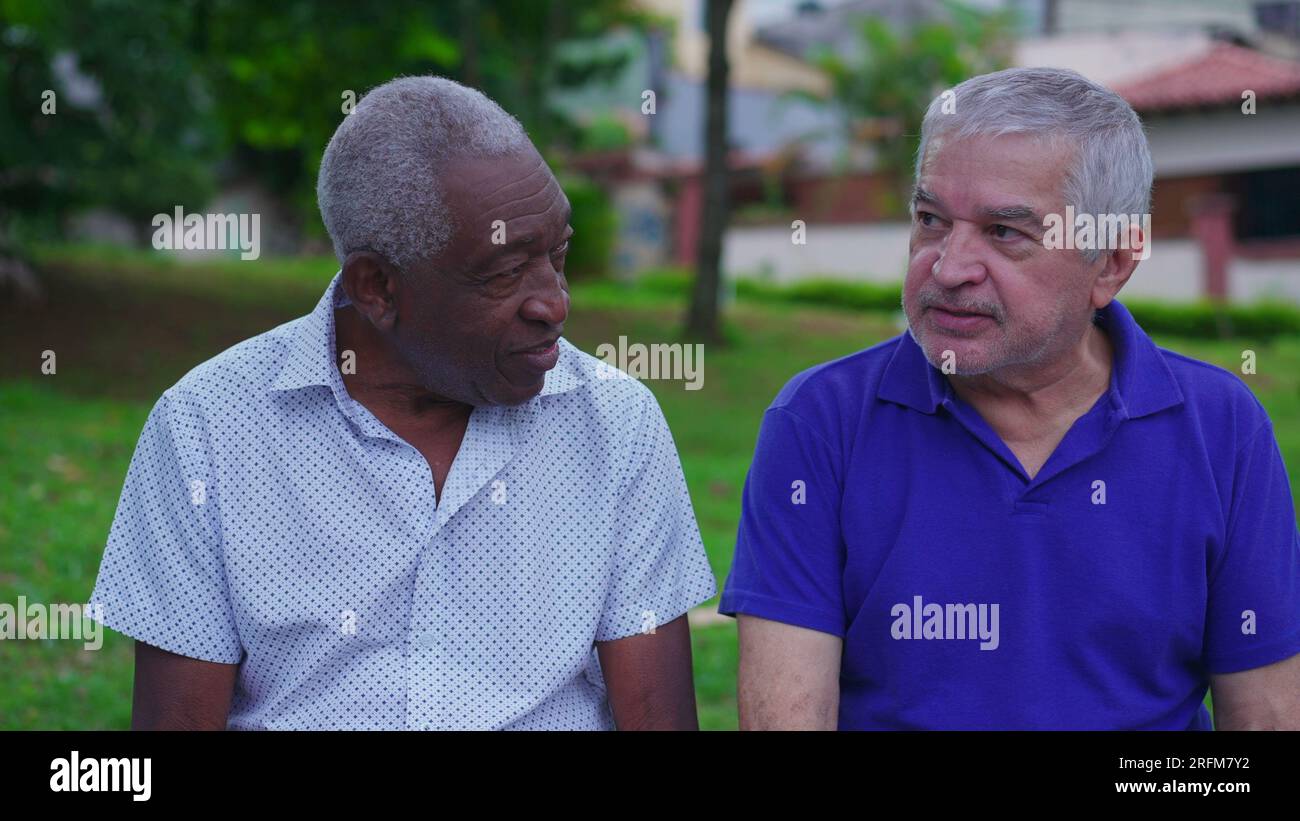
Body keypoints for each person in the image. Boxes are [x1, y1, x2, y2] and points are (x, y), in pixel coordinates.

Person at [88, 76, 717, 730]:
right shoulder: (208, 427)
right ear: (378, 288)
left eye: (557, 255)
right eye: (505, 272)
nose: (553, 302)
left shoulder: (616, 423)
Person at [719, 66, 1300, 730]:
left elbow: (1266, 722)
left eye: (1004, 233)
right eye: (932, 219)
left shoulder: (1220, 427)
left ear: (1109, 264)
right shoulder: (821, 422)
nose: (947, 266)